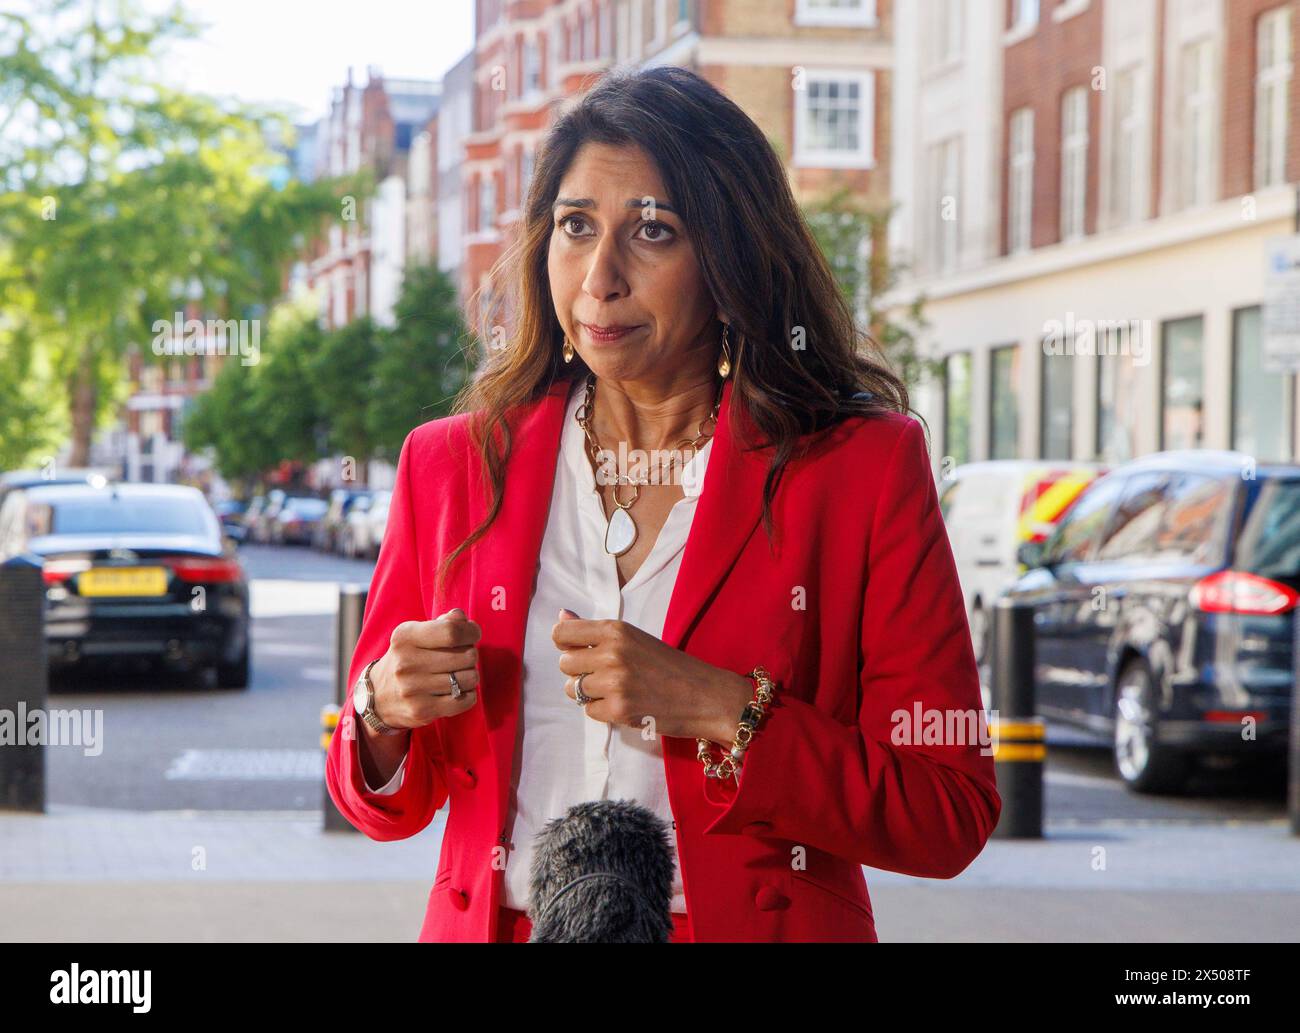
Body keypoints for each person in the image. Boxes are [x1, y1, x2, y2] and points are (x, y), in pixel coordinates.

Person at [325, 66, 1000, 943]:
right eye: (575, 226)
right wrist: (380, 709)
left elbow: (947, 809)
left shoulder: (860, 468)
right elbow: (377, 800)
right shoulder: (451, 464)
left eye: (653, 231)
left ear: (729, 257)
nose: (600, 277)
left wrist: (726, 707)